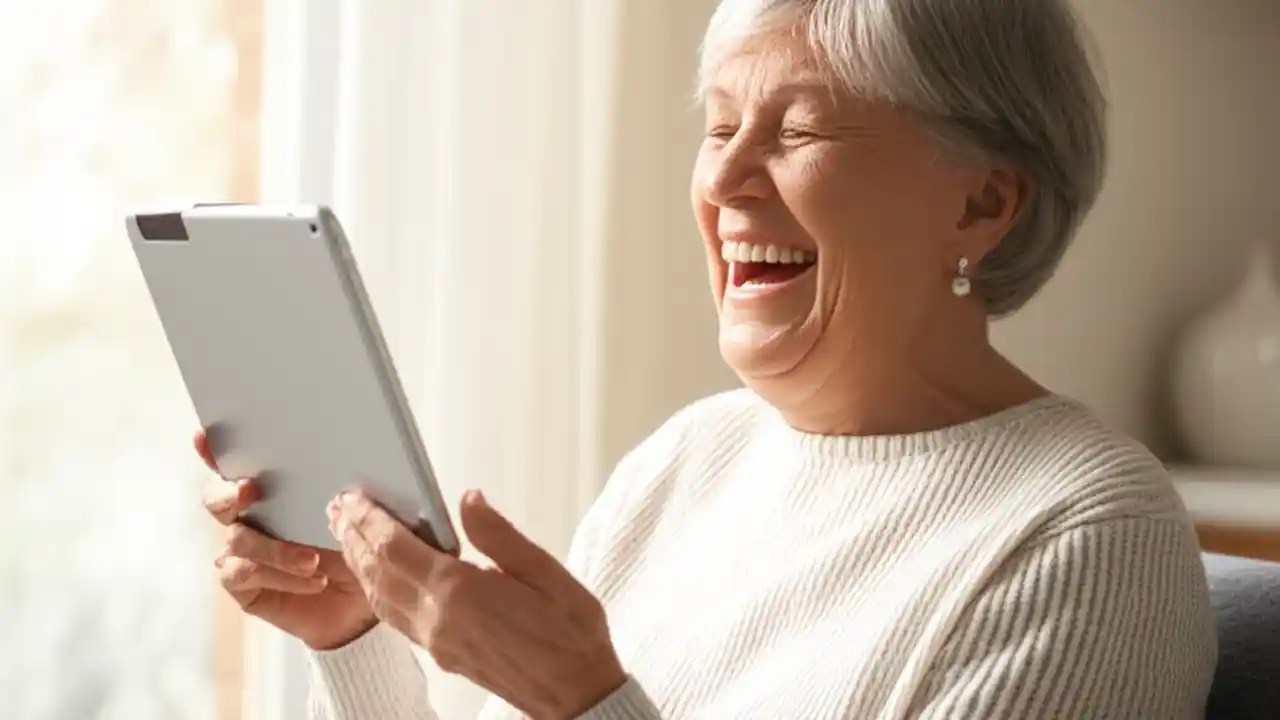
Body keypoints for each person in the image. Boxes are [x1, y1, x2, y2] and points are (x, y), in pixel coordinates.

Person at [199, 0, 1217, 717]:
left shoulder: (1086, 534)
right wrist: (355, 642)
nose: (725, 176)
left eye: (799, 128)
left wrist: (583, 703)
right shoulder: (689, 459)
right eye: (720, 125)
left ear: (981, 204)